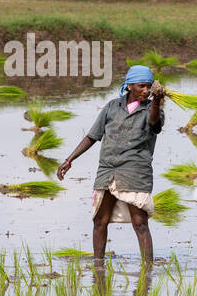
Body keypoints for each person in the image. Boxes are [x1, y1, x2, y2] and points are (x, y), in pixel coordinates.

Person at [57, 65, 166, 264]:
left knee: (140, 223)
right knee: (99, 221)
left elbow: (154, 124)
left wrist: (157, 101)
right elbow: (92, 136)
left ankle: (147, 269)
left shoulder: (152, 109)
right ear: (129, 86)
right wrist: (69, 159)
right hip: (107, 170)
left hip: (134, 171)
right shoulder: (112, 107)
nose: (146, 90)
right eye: (142, 86)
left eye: (149, 87)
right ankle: (98, 265)